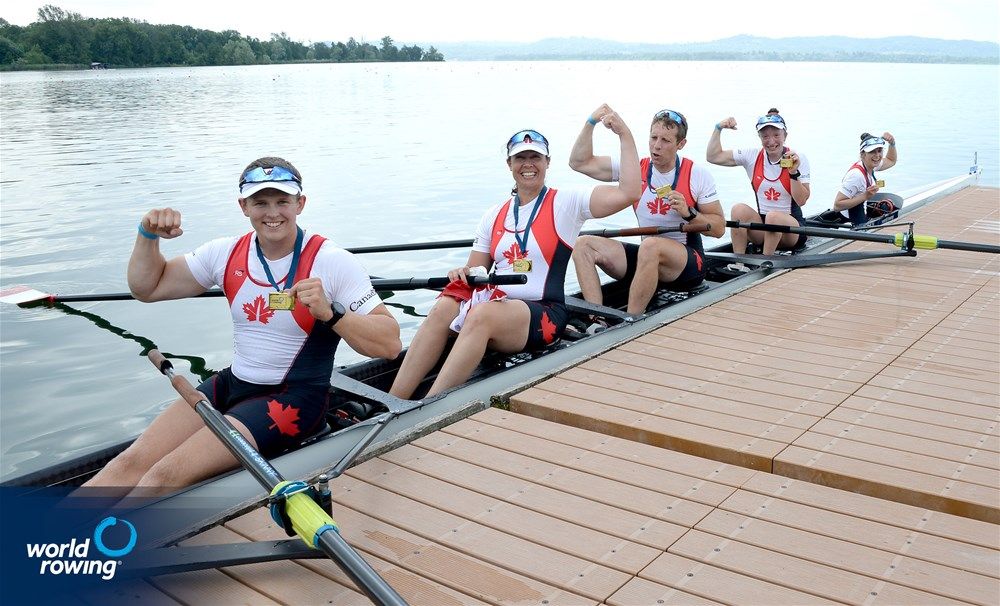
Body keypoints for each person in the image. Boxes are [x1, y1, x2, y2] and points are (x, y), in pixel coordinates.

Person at [83, 157, 401, 496]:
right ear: (243, 206)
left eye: (282, 201)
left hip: (294, 401)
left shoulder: (332, 262)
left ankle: (97, 546)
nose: (272, 212)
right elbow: (147, 288)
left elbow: (390, 344)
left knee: (162, 476)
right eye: (260, 202)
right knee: (126, 465)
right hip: (233, 385)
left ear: (300, 204)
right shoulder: (224, 253)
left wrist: (332, 314)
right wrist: (147, 236)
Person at [388, 112, 641, 400]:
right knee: (445, 304)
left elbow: (629, 192)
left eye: (536, 157)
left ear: (547, 163)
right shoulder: (494, 215)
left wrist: (624, 135)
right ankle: (394, 401)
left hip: (544, 314)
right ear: (510, 165)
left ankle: (427, 404)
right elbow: (475, 274)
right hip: (500, 309)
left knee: (482, 314)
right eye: (520, 158)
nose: (528, 164)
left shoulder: (567, 203)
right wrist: (461, 273)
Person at [569, 106, 725, 321]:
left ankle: (630, 321)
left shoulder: (697, 175)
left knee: (651, 245)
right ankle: (597, 318)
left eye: (666, 141)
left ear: (681, 144)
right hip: (647, 259)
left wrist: (690, 213)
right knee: (583, 244)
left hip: (688, 266)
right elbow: (579, 163)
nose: (656, 146)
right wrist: (590, 122)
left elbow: (718, 229)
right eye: (653, 137)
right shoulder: (635, 169)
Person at [706, 108, 811, 259]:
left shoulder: (797, 158)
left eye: (776, 135)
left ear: (785, 135)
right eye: (765, 136)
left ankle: (764, 262)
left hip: (792, 232)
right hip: (763, 229)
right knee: (738, 210)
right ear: (760, 137)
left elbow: (802, 200)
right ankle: (738, 262)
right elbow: (713, 157)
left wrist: (793, 172)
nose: (771, 141)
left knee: (774, 217)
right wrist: (718, 128)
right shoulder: (752, 156)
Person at [833, 132, 899, 226]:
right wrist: (865, 196)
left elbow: (891, 161)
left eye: (879, 150)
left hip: (860, 212)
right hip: (849, 219)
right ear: (863, 154)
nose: (877, 156)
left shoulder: (871, 164)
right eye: (872, 151)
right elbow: (837, 206)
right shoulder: (856, 176)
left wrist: (892, 143)